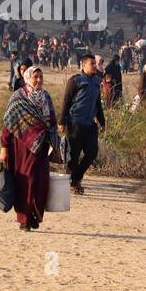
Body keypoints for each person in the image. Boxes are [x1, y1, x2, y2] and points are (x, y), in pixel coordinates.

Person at [0, 65, 56, 231]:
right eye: (35, 77)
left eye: (40, 76)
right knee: (26, 182)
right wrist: (4, 147)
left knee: (41, 182)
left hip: (43, 146)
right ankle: (24, 219)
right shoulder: (18, 97)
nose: (38, 80)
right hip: (23, 147)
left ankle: (35, 215)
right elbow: (8, 124)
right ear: (27, 78)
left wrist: (55, 139)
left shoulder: (45, 96)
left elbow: (52, 119)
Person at [59, 53, 105, 196]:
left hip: (90, 124)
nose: (94, 66)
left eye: (95, 64)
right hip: (75, 123)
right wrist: (62, 121)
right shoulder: (76, 81)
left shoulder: (97, 81)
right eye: (91, 64)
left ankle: (73, 179)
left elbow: (98, 103)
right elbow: (66, 100)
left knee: (92, 153)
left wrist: (102, 122)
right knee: (73, 155)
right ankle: (74, 183)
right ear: (83, 65)